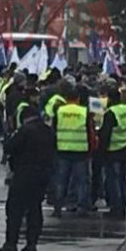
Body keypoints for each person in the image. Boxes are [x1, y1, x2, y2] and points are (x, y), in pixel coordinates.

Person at [0, 97, 55, 251]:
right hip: (43, 173)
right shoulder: (48, 131)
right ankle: (32, 243)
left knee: (15, 209)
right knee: (35, 209)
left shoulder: (25, 130)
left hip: (24, 172)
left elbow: (10, 147)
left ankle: (11, 243)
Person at [51, 85, 92, 217]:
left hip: (62, 149)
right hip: (80, 150)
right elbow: (90, 132)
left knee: (61, 181)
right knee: (81, 181)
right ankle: (82, 208)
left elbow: (54, 129)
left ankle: (57, 208)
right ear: (78, 98)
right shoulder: (84, 111)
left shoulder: (59, 111)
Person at [99, 88, 126, 219]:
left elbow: (105, 134)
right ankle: (122, 205)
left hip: (113, 149)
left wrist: (101, 152)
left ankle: (116, 208)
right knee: (122, 180)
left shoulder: (111, 113)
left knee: (113, 181)